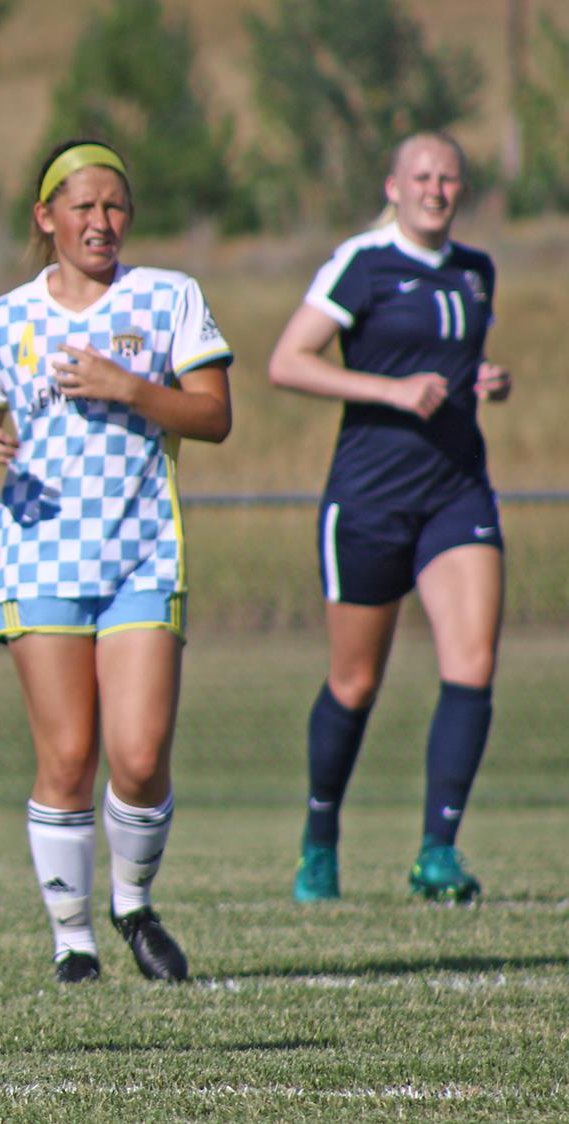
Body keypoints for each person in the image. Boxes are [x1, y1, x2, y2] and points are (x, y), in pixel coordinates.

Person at [0, 139, 232, 984]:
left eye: (114, 206)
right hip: (40, 560)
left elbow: (213, 416)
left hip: (143, 552)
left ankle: (133, 903)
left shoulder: (169, 297)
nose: (101, 221)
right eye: (82, 207)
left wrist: (129, 387)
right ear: (47, 218)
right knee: (68, 756)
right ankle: (73, 939)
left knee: (139, 757)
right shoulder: (4, 317)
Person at [267, 132, 509, 905]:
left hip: (456, 491)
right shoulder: (362, 262)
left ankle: (437, 851)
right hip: (369, 498)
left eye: (449, 179)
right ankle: (320, 839)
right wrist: (390, 390)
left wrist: (482, 383)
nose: (437, 189)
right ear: (394, 186)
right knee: (356, 680)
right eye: (423, 177)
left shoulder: (477, 272)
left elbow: (452, 368)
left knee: (471, 666)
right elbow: (287, 361)